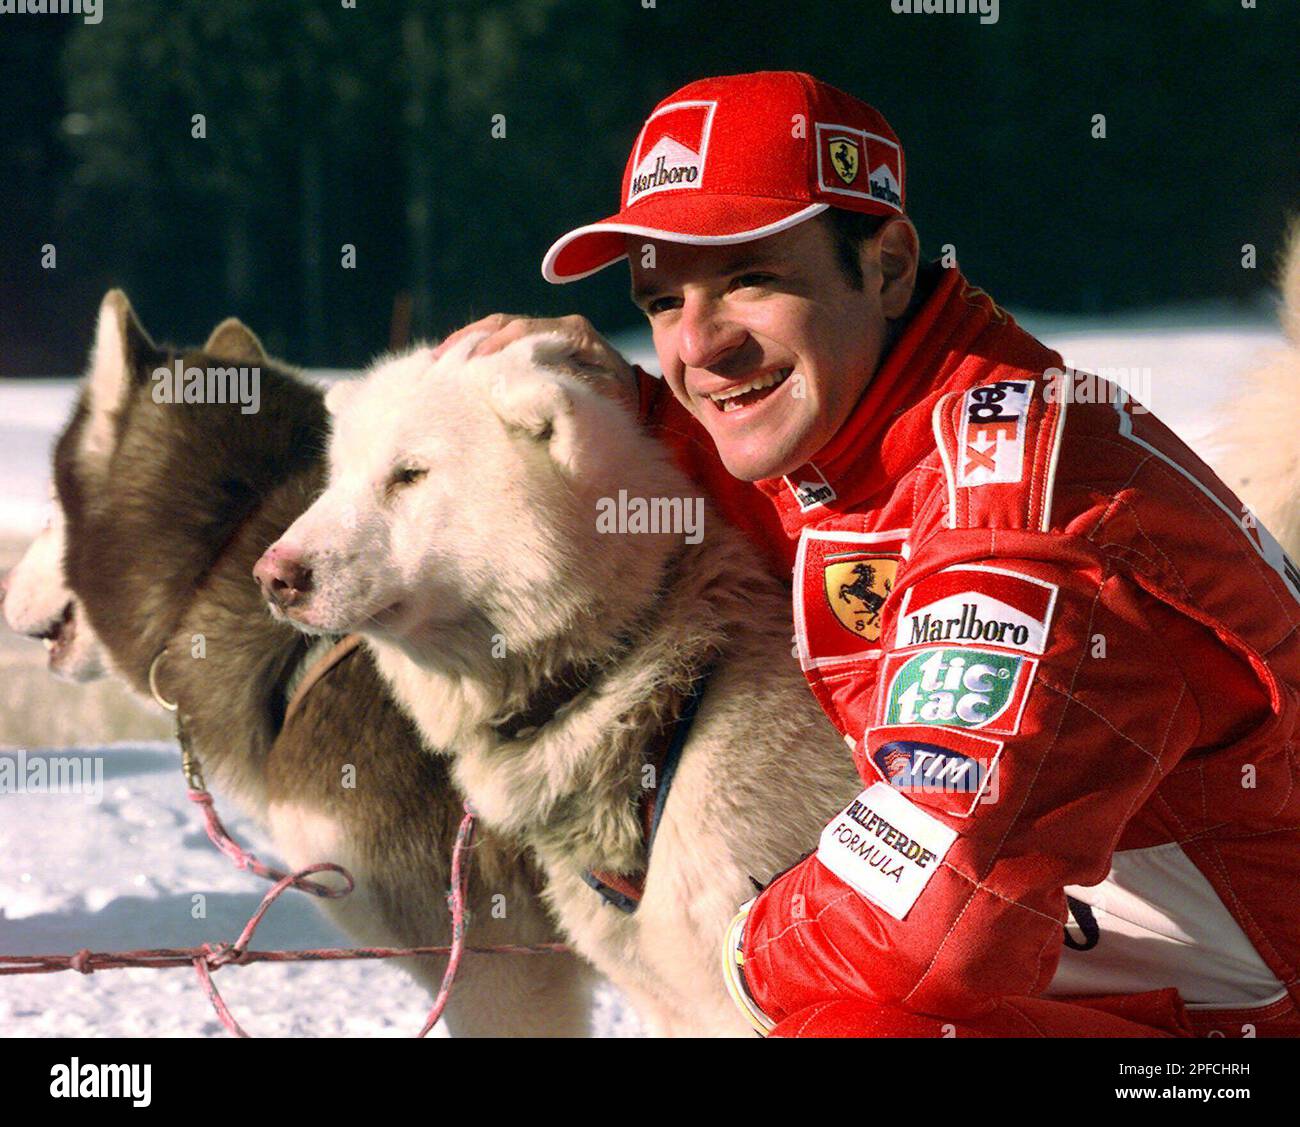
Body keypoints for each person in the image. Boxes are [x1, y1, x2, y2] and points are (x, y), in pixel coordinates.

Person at [434, 70, 1300, 1038]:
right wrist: (632, 417)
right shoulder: (875, 434)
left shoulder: (1015, 518)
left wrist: (742, 944)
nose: (698, 344)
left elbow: (938, 918)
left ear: (886, 264)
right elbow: (817, 514)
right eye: (662, 298)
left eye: (748, 278)